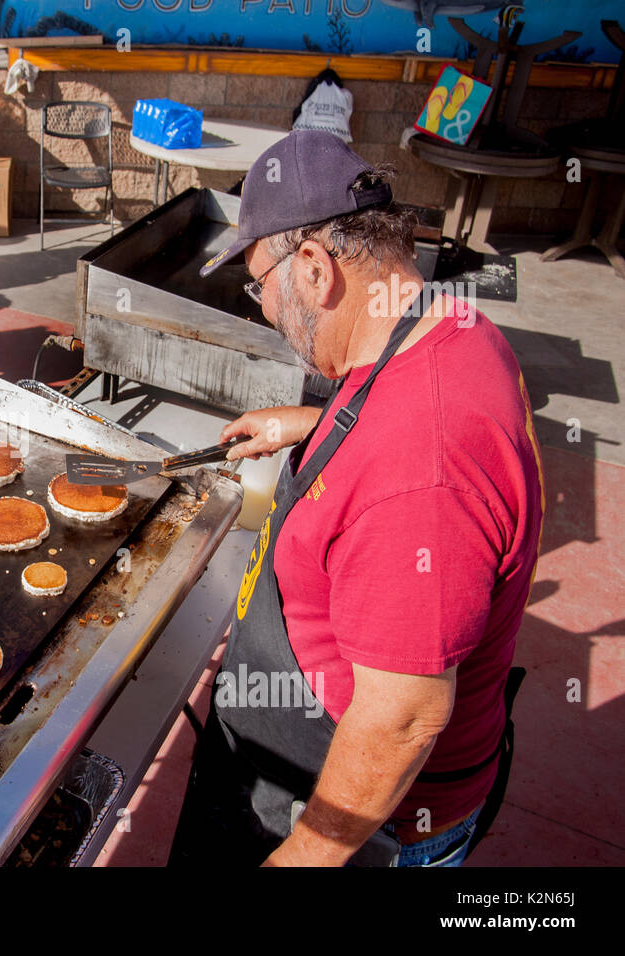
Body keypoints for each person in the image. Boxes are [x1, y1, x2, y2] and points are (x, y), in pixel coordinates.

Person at [171, 130, 543, 867]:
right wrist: (309, 423)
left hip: (360, 813)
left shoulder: (420, 469)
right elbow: (408, 423)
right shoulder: (442, 325)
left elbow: (402, 717)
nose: (265, 312)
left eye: (259, 287)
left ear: (313, 268)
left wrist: (302, 858)